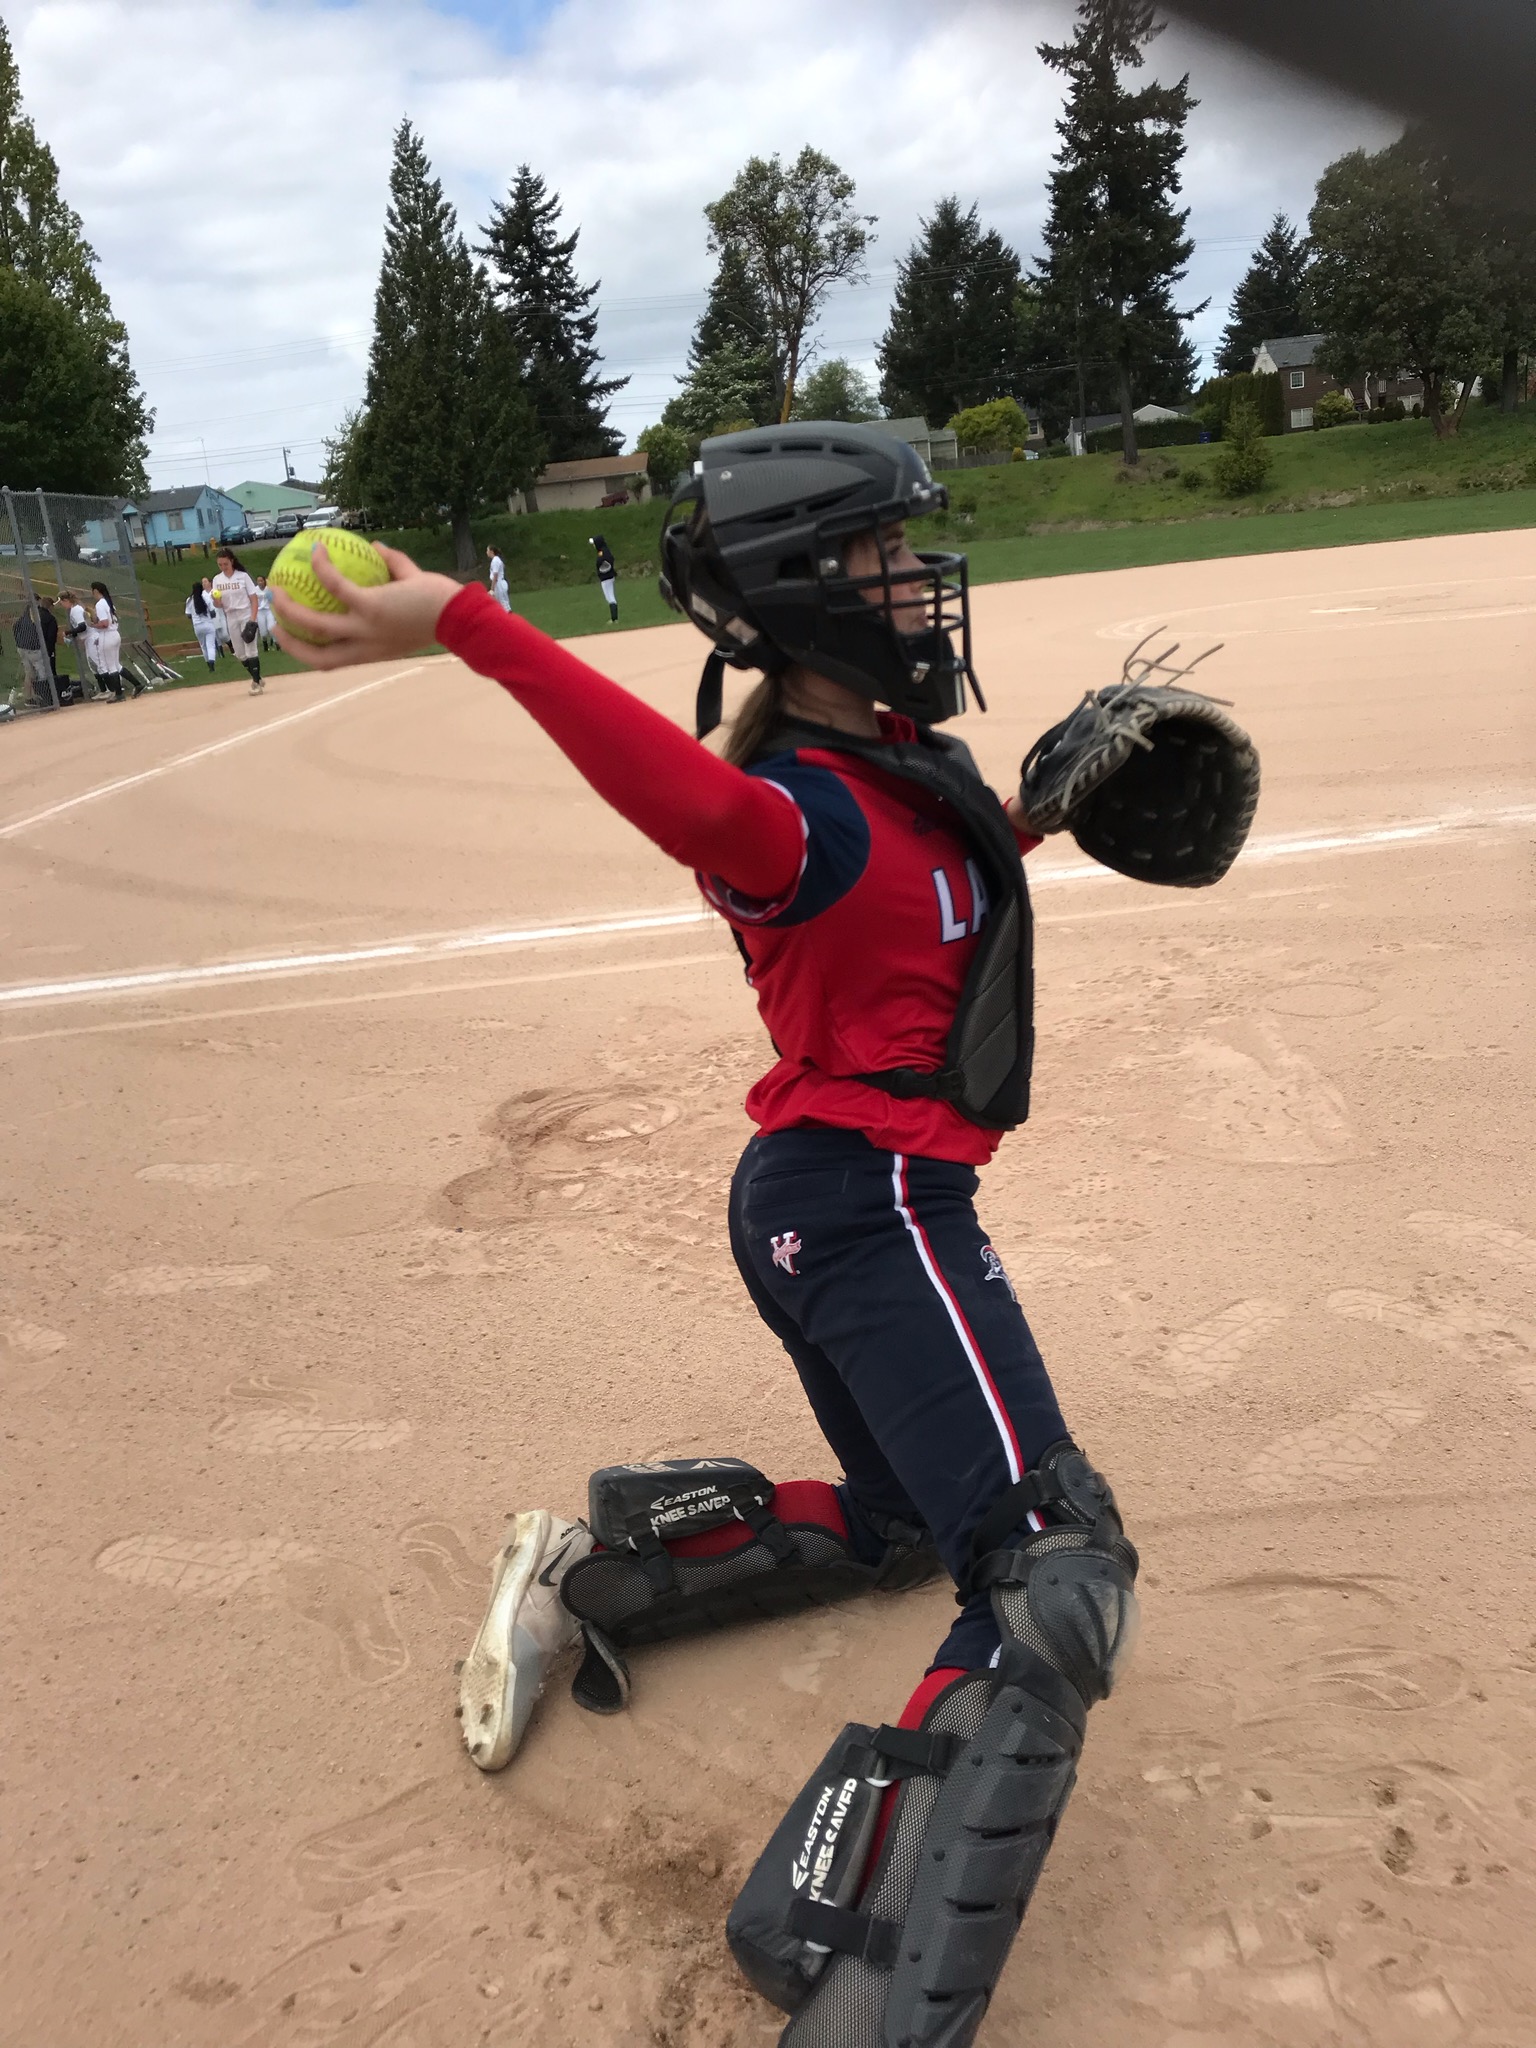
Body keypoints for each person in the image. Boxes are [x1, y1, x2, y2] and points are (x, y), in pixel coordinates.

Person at [271, 424, 1142, 2048]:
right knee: (1057, 1573)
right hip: (867, 1208)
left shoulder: (893, 768)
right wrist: (469, 623)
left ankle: (595, 1568)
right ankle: (864, 1990)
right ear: (810, 593)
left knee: (900, 1520)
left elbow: (932, 884)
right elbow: (658, 779)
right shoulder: (779, 815)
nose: (919, 580)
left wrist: (1035, 815)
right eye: (886, 553)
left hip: (835, 1201)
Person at [211, 546, 262, 692]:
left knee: (250, 648)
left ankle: (256, 684)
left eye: (225, 564)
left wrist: (252, 619)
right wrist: (216, 600)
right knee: (239, 653)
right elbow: (218, 604)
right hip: (230, 616)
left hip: (245, 613)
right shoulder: (217, 579)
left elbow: (253, 598)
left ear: (232, 561)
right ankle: (257, 676)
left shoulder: (242, 576)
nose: (223, 567)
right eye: (220, 564)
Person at [86, 581, 134, 699]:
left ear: (96, 591)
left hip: (107, 635)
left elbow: (105, 624)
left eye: (93, 590)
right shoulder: (108, 602)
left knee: (110, 666)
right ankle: (137, 685)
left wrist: (93, 625)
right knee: (116, 665)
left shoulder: (100, 604)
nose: (92, 593)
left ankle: (118, 694)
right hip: (114, 634)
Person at [11, 604, 55, 708]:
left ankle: (29, 697)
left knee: (29, 673)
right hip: (33, 650)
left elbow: (15, 632)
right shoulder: (34, 620)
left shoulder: (20, 620)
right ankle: (45, 698)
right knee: (42, 672)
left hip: (22, 649)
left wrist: (20, 645)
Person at [185, 580, 221, 671]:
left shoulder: (189, 600)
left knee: (203, 645)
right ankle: (212, 664)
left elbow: (188, 614)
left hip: (197, 626)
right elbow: (213, 612)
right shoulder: (205, 597)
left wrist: (194, 616)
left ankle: (208, 664)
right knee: (210, 645)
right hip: (208, 624)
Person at [590, 532, 618, 621]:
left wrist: (602, 570)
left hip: (606, 577)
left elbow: (606, 561)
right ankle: (614, 618)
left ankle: (614, 618)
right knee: (609, 597)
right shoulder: (602, 551)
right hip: (607, 577)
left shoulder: (603, 552)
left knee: (610, 597)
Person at [255, 575, 277, 650]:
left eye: (261, 581)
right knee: (263, 632)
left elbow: (273, 600)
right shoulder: (255, 590)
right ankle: (265, 644)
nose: (260, 582)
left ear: (265, 581)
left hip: (269, 610)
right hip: (260, 612)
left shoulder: (269, 589)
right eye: (258, 581)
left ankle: (276, 643)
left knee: (271, 628)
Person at [486, 544, 510, 611]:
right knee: (501, 604)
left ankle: (508, 618)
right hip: (499, 583)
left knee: (503, 604)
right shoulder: (496, 560)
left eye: (487, 550)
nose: (486, 552)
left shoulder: (495, 561)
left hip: (499, 584)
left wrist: (492, 589)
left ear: (491, 551)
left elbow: (495, 575)